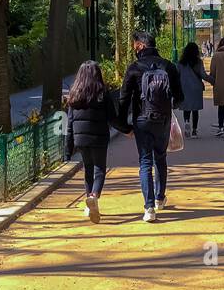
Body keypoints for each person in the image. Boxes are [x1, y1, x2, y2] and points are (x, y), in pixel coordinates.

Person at [118, 30, 184, 222]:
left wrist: (124, 126)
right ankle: (159, 198)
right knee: (161, 158)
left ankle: (148, 208)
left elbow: (123, 99)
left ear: (140, 46)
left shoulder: (134, 68)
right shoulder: (169, 66)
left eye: (134, 47)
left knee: (145, 162)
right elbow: (179, 98)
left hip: (142, 121)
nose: (134, 50)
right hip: (162, 119)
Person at [64, 60, 119, 224]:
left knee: (88, 169)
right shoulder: (103, 94)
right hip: (99, 137)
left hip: (80, 138)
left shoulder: (74, 95)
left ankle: (89, 203)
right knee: (99, 169)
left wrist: (67, 151)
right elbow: (112, 118)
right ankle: (94, 196)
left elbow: (70, 124)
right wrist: (127, 129)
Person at [177, 41, 213, 137]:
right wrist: (213, 81)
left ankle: (186, 122)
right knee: (195, 110)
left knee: (186, 108)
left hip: (184, 88)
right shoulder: (198, 62)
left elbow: (177, 75)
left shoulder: (181, 63)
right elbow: (203, 75)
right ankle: (194, 131)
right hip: (196, 88)